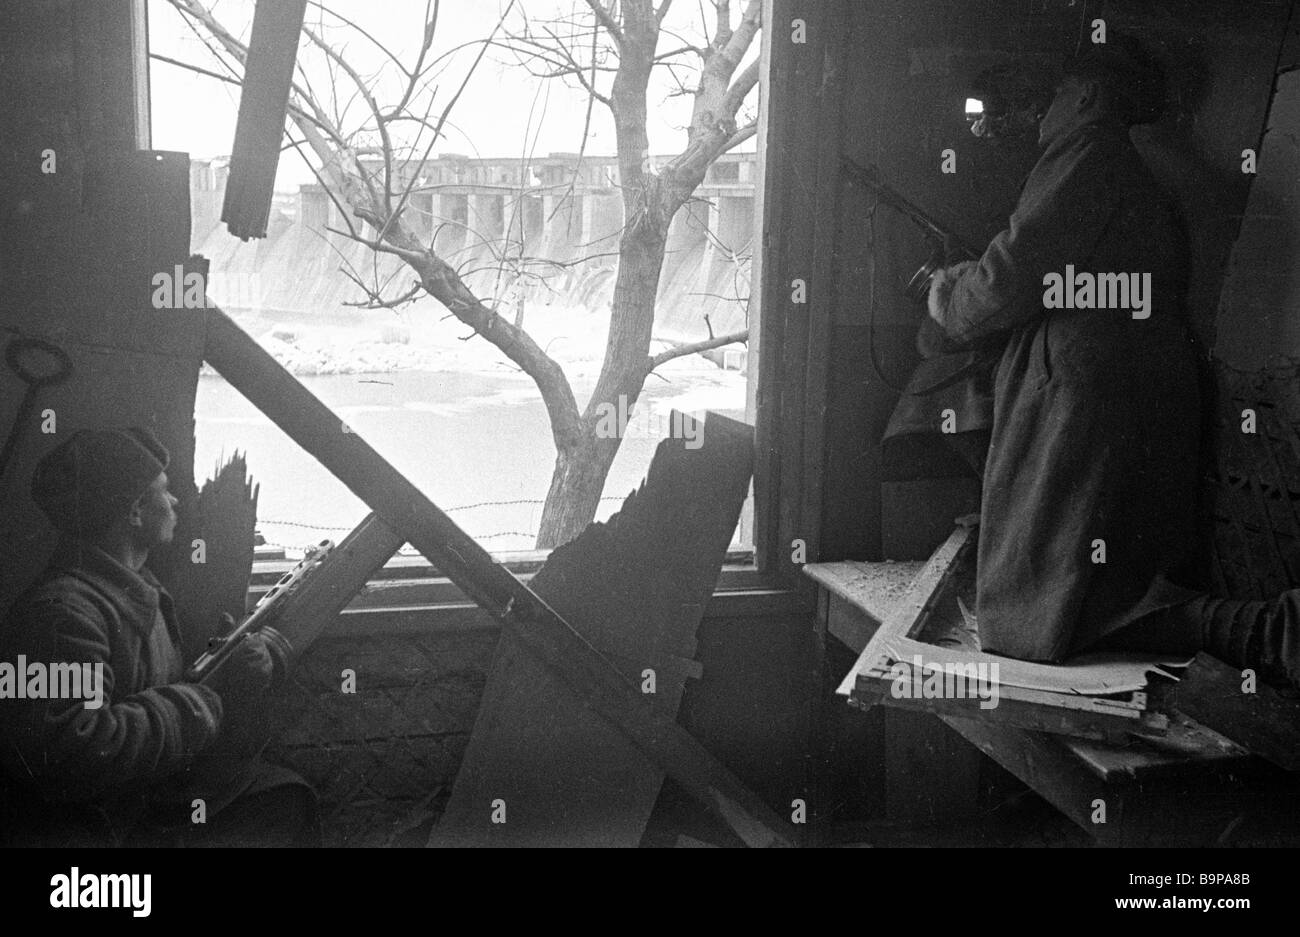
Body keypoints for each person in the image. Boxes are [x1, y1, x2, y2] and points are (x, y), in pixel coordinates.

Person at [917, 34, 1299, 691]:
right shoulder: (1120, 158)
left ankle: (1275, 632)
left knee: (1052, 610)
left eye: (1057, 93)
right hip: (1128, 388)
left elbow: (1006, 280)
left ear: (1089, 94)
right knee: (1089, 586)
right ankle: (1270, 632)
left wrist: (941, 288)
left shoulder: (1090, 146)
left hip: (1093, 398)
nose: (1045, 110)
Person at [0, 426, 319, 846]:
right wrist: (206, 697)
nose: (175, 502)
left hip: (134, 806)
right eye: (163, 492)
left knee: (284, 794)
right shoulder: (60, 617)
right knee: (281, 805)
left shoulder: (127, 587)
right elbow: (73, 752)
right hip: (101, 832)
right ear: (134, 512)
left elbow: (144, 690)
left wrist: (224, 668)